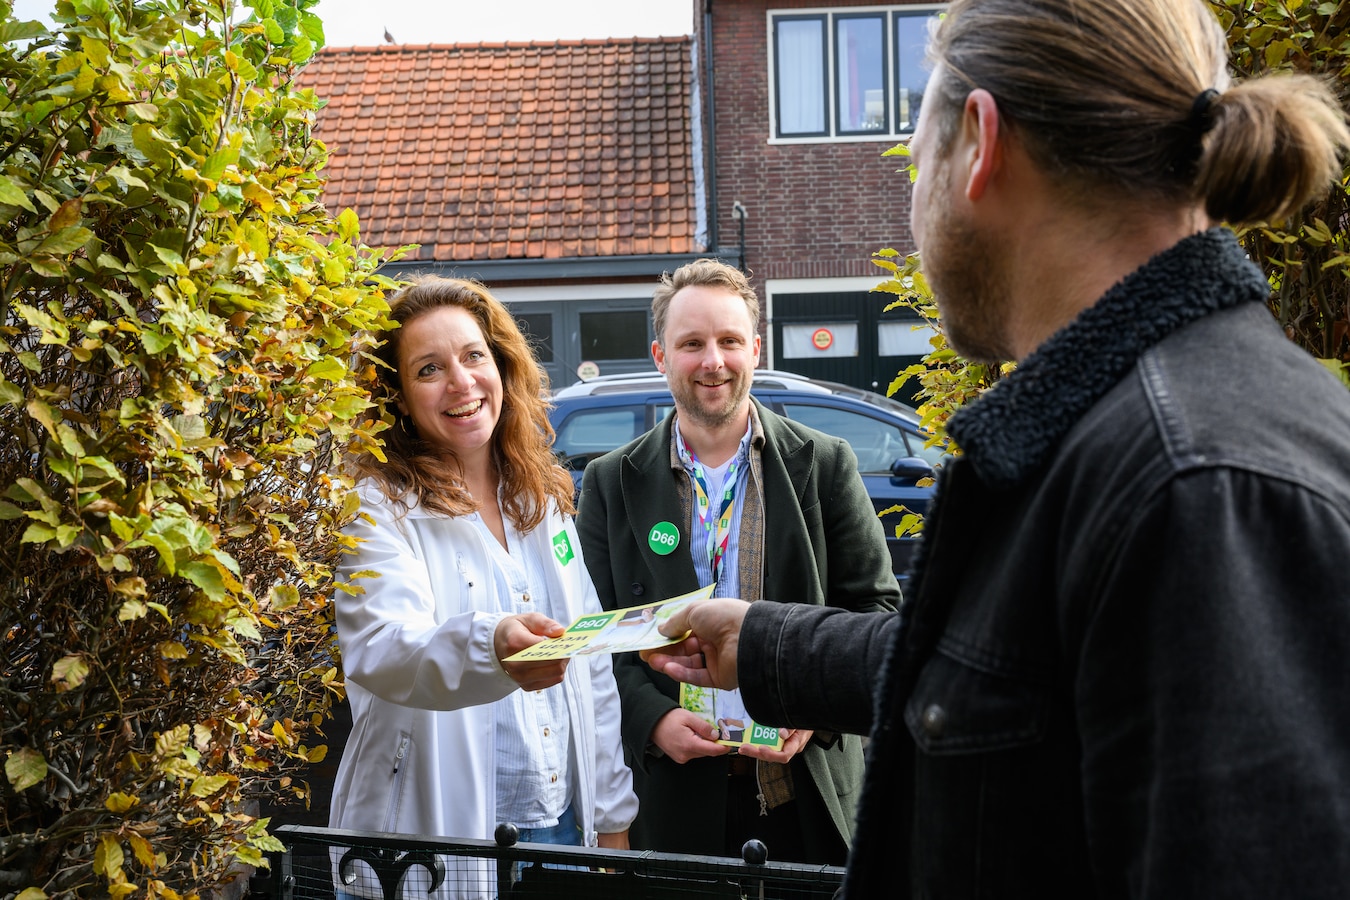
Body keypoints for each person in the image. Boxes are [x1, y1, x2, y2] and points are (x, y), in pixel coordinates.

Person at [643, 0, 1350, 897]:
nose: (911, 196)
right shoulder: (1127, 434)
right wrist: (769, 644)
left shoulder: (1197, 484)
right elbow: (1009, 682)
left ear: (978, 143)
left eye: (914, 153)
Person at [575, 258, 899, 865]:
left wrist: (817, 701)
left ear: (755, 347)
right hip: (677, 798)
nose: (712, 362)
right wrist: (651, 722)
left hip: (804, 793)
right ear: (659, 355)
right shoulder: (609, 482)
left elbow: (877, 609)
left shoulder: (824, 463)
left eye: (728, 341)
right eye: (691, 343)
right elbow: (593, 640)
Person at [329, 277, 637, 897]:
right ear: (397, 396)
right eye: (428, 369)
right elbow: (385, 651)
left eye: (474, 356)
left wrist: (610, 817)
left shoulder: (538, 497)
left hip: (559, 831)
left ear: (502, 363)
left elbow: (590, 670)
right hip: (432, 839)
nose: (462, 383)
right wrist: (491, 645)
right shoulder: (376, 509)